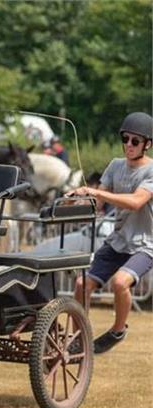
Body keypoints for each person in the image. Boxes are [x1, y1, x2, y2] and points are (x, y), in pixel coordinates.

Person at [69, 111, 153, 354]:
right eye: (125, 139)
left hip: (145, 244)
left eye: (135, 141)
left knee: (120, 282)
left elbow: (136, 202)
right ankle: (79, 337)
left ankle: (117, 330)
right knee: (80, 284)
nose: (128, 145)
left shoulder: (150, 171)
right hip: (118, 241)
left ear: (147, 144)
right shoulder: (115, 166)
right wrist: (77, 200)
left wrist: (97, 193)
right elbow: (99, 204)